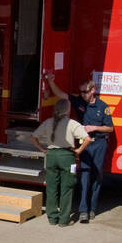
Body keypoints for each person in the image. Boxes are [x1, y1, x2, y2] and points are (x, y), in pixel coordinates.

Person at [45, 72, 113, 223]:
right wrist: (50, 82)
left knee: (97, 176)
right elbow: (60, 94)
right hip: (85, 144)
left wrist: (93, 127)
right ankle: (83, 210)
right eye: (81, 92)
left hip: (100, 144)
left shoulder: (102, 107)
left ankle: (93, 208)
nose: (82, 95)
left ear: (92, 90)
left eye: (85, 92)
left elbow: (110, 128)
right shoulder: (79, 101)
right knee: (84, 176)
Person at [31, 96, 91, 226]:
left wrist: (43, 149)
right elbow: (87, 139)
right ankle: (64, 220)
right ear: (68, 110)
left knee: (51, 188)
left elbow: (33, 136)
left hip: (51, 155)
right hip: (67, 157)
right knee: (67, 188)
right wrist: (78, 151)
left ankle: (52, 218)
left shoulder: (48, 122)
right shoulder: (72, 123)